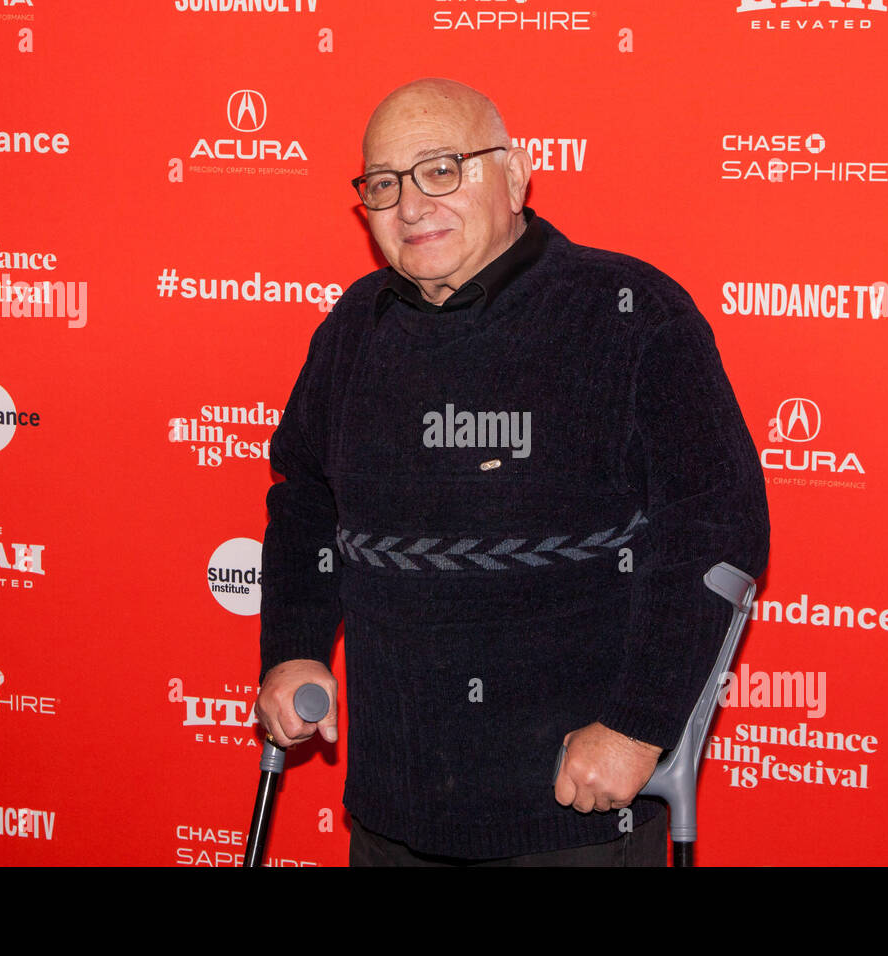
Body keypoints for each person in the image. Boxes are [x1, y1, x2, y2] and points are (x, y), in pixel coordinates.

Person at [255, 78, 769, 866]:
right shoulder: (357, 326)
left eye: (440, 169)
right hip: (393, 811)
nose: (411, 206)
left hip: (571, 816)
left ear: (517, 173)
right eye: (383, 185)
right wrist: (294, 648)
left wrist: (639, 725)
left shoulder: (629, 312)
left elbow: (715, 526)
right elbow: (304, 497)